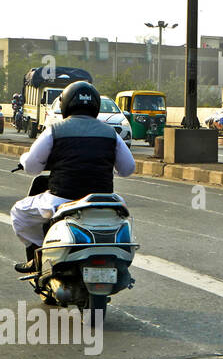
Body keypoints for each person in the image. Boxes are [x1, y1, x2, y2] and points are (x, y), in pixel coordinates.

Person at [10, 82, 135, 272]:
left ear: (65, 104)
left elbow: (32, 167)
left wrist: (24, 159)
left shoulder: (55, 130)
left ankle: (39, 256)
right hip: (101, 201)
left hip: (61, 200)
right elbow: (127, 169)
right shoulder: (110, 133)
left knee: (19, 213)